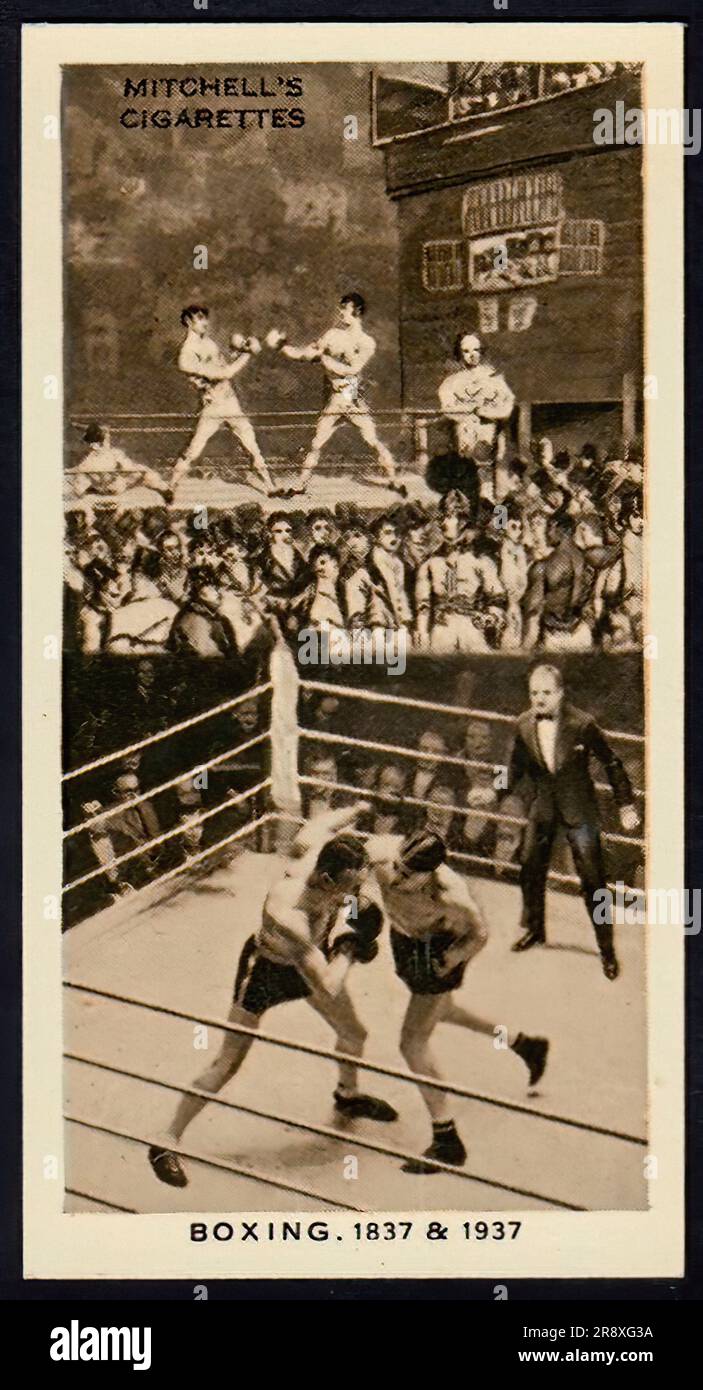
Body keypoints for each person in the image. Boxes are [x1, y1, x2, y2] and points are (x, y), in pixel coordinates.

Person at [148, 805, 396, 1188]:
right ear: (328, 879)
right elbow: (327, 982)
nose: (354, 893)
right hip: (267, 972)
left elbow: (322, 823)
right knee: (227, 1062)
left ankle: (347, 1095)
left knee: (354, 1033)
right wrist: (350, 943)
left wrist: (361, 807)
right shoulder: (289, 912)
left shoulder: (319, 854)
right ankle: (165, 1140)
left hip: (311, 961)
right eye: (350, 886)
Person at [365, 829, 549, 1172]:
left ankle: (447, 1139)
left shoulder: (451, 895)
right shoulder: (380, 853)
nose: (397, 877)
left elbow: (479, 933)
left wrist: (450, 960)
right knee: (444, 1011)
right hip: (403, 940)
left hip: (438, 950)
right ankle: (525, 1045)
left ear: (429, 874)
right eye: (399, 866)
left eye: (408, 874)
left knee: (412, 1043)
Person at [508, 663, 640, 979]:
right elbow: (514, 767)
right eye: (534, 693)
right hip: (544, 806)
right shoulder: (523, 724)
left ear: (561, 693)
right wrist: (494, 789)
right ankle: (536, 929)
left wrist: (626, 805)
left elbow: (612, 762)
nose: (539, 699)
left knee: (592, 878)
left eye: (546, 693)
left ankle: (607, 951)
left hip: (579, 808)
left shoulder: (582, 724)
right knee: (529, 864)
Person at [267, 293, 403, 494]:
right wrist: (282, 347)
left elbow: (352, 370)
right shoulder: (332, 335)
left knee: (371, 439)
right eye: (340, 308)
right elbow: (306, 355)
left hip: (351, 393)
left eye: (344, 308)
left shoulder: (367, 342)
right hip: (336, 396)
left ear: (356, 311)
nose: (340, 312)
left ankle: (394, 480)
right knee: (316, 442)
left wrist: (325, 360)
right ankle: (300, 485)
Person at [171, 306, 275, 496]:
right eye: (199, 318)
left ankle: (271, 487)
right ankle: (170, 487)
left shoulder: (209, 343)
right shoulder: (186, 355)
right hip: (213, 407)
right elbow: (225, 373)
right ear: (188, 322)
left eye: (205, 318)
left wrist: (239, 350)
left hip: (231, 402)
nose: (205, 322)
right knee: (194, 450)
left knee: (252, 446)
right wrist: (248, 353)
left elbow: (224, 365)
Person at [438, 333, 514, 502]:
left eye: (476, 350)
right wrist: (469, 412)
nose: (472, 355)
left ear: (482, 351)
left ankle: (499, 523)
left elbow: (507, 405)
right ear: (459, 354)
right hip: (465, 432)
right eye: (466, 351)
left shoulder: (494, 378)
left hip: (491, 433)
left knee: (496, 488)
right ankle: (474, 515)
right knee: (468, 476)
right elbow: (447, 408)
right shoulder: (452, 382)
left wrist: (486, 412)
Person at [67, 422, 172, 514]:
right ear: (101, 442)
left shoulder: (85, 463)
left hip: (101, 489)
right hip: (117, 486)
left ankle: (164, 491)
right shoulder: (113, 454)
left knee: (81, 482)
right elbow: (129, 468)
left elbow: (79, 490)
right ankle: (166, 491)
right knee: (144, 471)